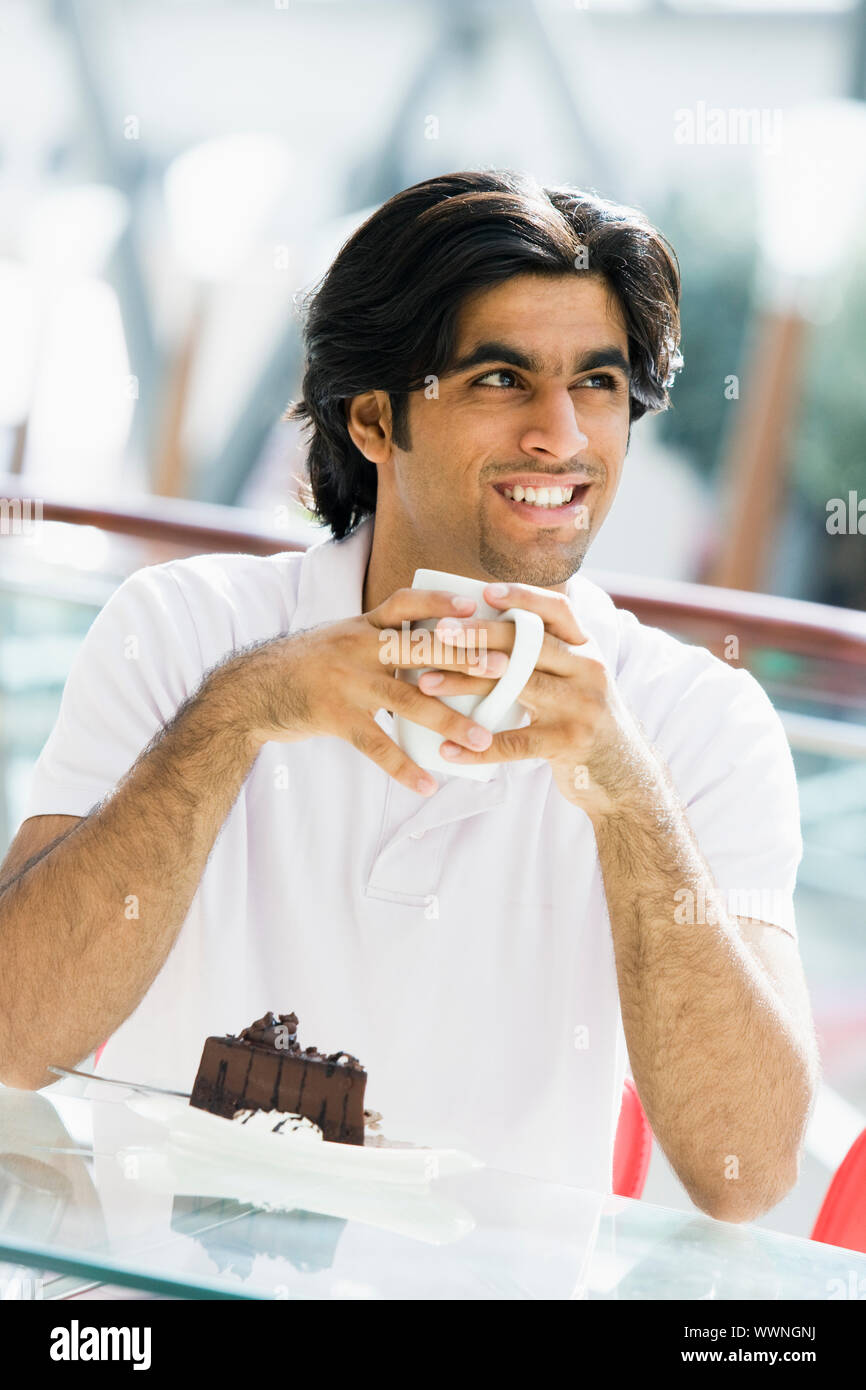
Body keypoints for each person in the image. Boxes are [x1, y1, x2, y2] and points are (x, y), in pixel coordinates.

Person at [0, 170, 819, 1220]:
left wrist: (624, 790)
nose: (561, 436)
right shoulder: (179, 632)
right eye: (498, 380)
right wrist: (237, 714)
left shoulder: (700, 723)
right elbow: (18, 1039)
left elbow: (746, 1172)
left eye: (598, 384)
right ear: (376, 420)